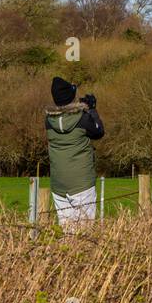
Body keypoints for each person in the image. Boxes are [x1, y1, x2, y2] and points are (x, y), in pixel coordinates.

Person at [44, 76, 105, 230]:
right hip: (82, 183)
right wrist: (91, 109)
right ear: (71, 97)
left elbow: (65, 114)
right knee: (85, 232)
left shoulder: (49, 121)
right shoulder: (82, 118)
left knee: (67, 232)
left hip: (59, 185)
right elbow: (98, 132)